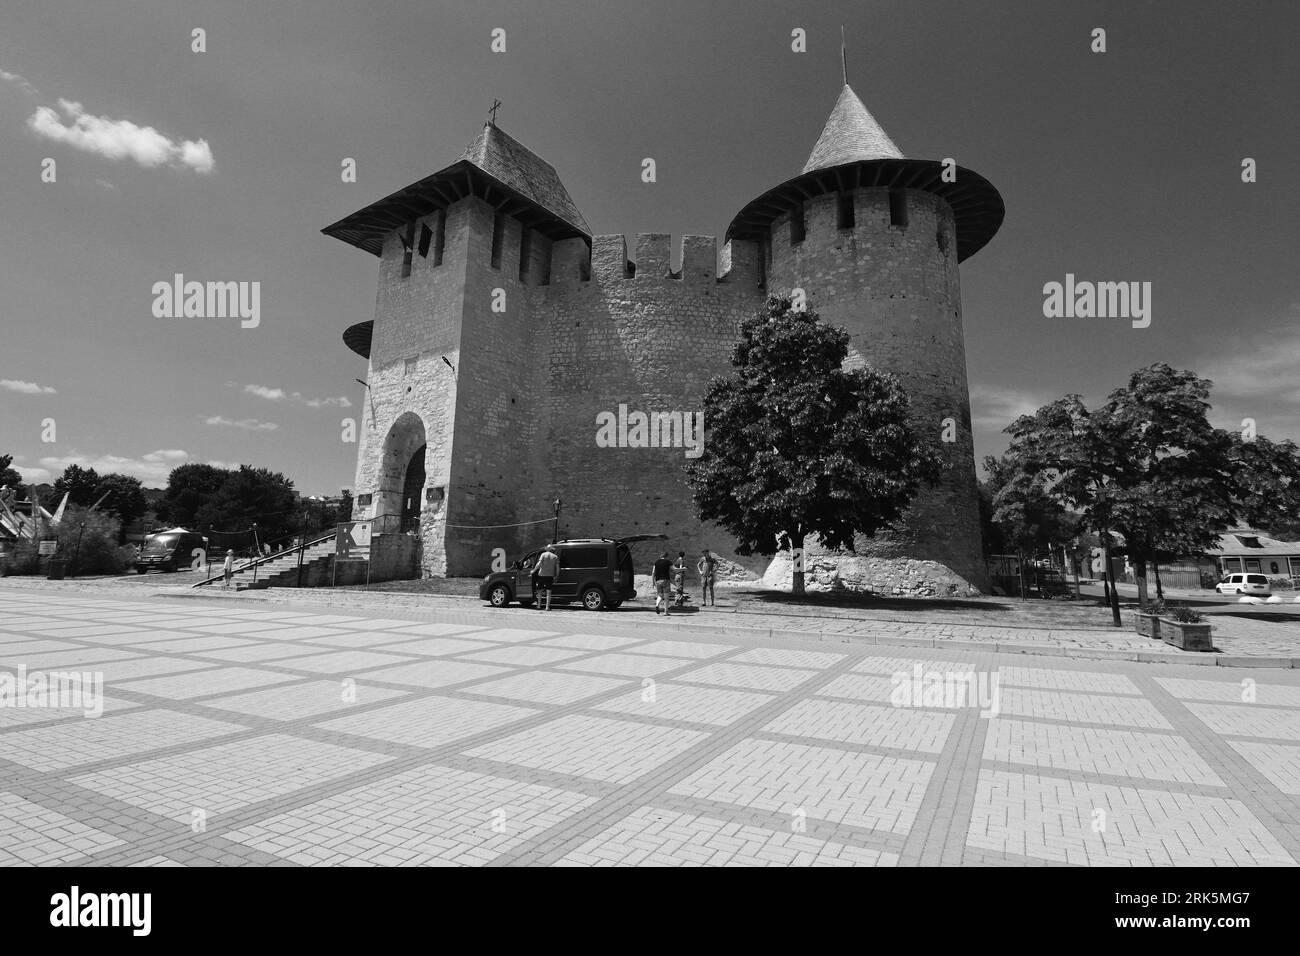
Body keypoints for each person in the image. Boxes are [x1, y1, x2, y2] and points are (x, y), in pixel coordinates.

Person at [533, 542, 559, 611]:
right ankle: (547, 607)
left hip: (541, 575)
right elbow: (557, 568)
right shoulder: (555, 557)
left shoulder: (543, 555)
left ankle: (539, 606)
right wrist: (556, 576)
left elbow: (539, 564)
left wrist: (533, 570)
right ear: (552, 550)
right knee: (548, 592)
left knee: (540, 591)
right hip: (550, 576)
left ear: (547, 549)